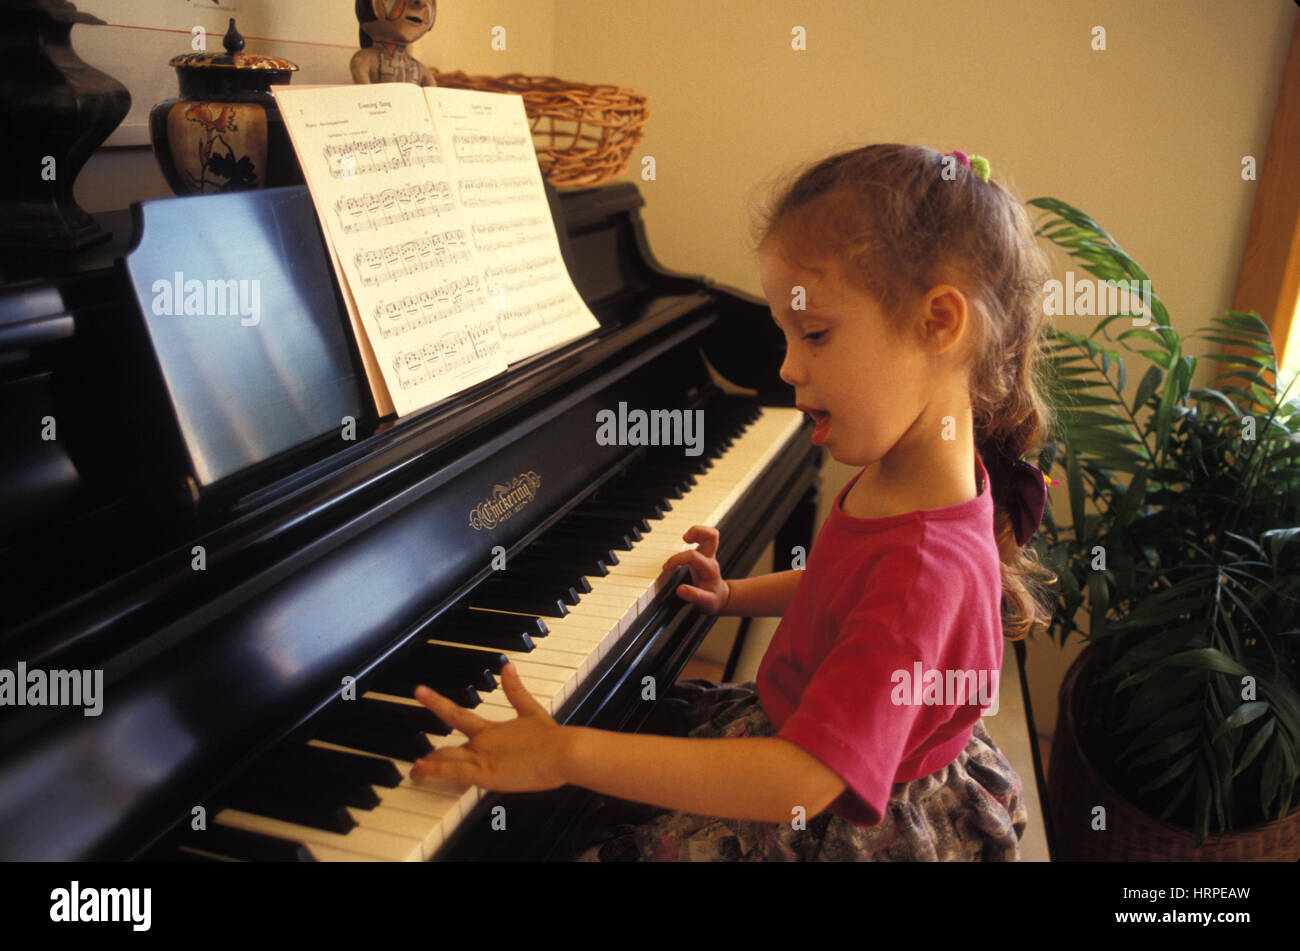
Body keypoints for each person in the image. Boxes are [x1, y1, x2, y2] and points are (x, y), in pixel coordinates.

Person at [410, 144, 1057, 861]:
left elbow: (804, 779)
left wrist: (565, 752)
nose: (786, 364)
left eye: (814, 333)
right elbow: (847, 583)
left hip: (821, 808)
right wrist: (737, 593)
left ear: (938, 322)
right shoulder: (921, 471)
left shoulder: (926, 570)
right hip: (799, 735)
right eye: (785, 334)